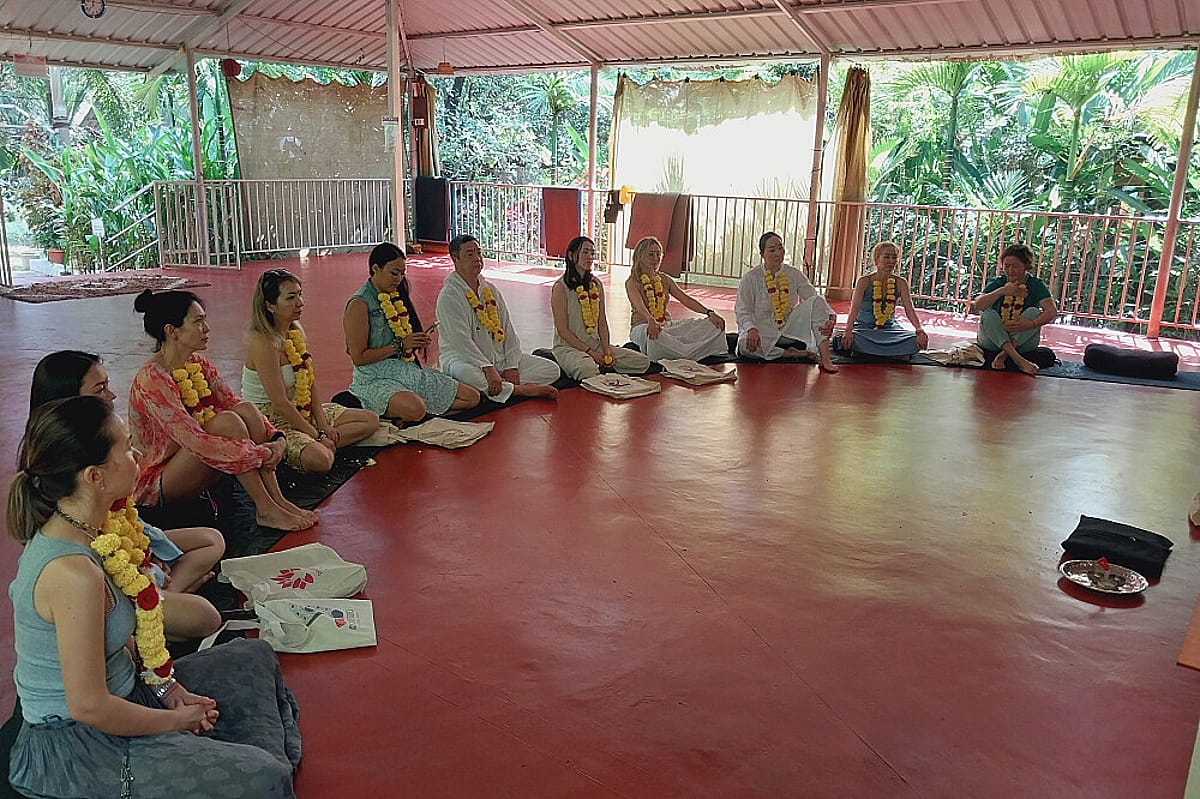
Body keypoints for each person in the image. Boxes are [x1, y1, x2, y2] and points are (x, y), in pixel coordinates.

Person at [5, 396, 301, 798]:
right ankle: (242, 762)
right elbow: (89, 707)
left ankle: (232, 758)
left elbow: (120, 641)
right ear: (95, 476)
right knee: (264, 777)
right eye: (126, 448)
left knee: (254, 657)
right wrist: (175, 722)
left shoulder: (94, 531)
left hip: (128, 693)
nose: (138, 454)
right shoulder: (71, 574)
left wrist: (168, 691)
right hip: (82, 744)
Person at [30, 350, 222, 639]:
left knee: (212, 540)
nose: (112, 396)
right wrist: (141, 572)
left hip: (130, 553)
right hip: (114, 581)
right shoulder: (68, 475)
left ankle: (165, 594)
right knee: (206, 616)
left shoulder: (98, 445)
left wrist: (147, 556)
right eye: (100, 389)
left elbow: (124, 521)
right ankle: (157, 604)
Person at [128, 289, 316, 532]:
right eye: (198, 321)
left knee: (245, 410)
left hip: (195, 466)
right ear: (171, 331)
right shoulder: (152, 378)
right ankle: (266, 508)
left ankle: (277, 501)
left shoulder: (197, 363)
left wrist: (276, 438)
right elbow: (195, 440)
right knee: (227, 423)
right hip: (157, 484)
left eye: (205, 320)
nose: (207, 328)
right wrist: (258, 454)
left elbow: (234, 401)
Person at [245, 269, 381, 473]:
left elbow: (309, 383)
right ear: (270, 305)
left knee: (371, 420)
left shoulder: (294, 331)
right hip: (271, 419)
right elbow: (279, 404)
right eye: (291, 297)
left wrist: (323, 425)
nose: (300, 302)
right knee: (321, 461)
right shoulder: (264, 343)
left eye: (300, 294)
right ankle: (316, 446)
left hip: (299, 408)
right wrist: (317, 434)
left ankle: (321, 443)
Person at [344, 242, 481, 421]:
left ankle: (414, 413)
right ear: (375, 268)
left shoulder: (395, 296)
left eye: (402, 274)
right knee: (415, 409)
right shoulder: (359, 304)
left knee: (472, 397)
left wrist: (414, 341)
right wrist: (401, 345)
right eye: (394, 273)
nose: (399, 279)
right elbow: (359, 358)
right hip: (374, 377)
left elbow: (403, 338)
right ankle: (413, 411)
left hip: (405, 370)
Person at [436, 234, 560, 403]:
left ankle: (501, 388)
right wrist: (487, 368)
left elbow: (507, 329)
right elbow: (461, 342)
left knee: (551, 370)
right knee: (465, 374)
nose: (477, 259)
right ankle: (521, 390)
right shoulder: (449, 296)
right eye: (470, 254)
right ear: (455, 259)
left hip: (498, 359)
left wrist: (511, 366)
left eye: (479, 253)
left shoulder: (490, 290)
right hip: (465, 360)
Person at [551, 235, 651, 380]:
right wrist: (591, 353)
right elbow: (562, 330)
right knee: (587, 370)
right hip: (569, 348)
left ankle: (600, 366)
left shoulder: (596, 284)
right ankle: (587, 365)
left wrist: (607, 350)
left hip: (595, 345)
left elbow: (602, 322)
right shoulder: (560, 287)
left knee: (642, 362)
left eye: (592, 253)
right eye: (585, 252)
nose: (590, 257)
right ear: (572, 255)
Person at [736, 232, 839, 372]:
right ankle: (789, 353)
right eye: (772, 250)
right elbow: (743, 310)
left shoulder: (794, 274)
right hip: (761, 329)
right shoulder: (750, 278)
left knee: (817, 301)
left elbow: (812, 297)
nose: (778, 253)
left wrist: (831, 316)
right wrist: (751, 329)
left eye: (780, 248)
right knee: (744, 345)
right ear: (762, 254)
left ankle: (825, 358)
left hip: (789, 327)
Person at [624, 236, 728, 362]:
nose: (656, 258)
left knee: (713, 324)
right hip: (643, 326)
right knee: (657, 336)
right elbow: (639, 306)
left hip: (666, 326)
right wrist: (650, 319)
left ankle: (680, 353)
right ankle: (691, 353)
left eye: (658, 254)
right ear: (640, 256)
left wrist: (709, 313)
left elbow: (686, 299)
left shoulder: (664, 279)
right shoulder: (632, 281)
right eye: (651, 254)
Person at [972, 243, 1058, 375]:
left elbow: (1051, 312)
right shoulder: (999, 283)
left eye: (1015, 266)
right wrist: (1002, 291)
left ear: (1026, 266)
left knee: (1033, 313)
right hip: (993, 340)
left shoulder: (1035, 285)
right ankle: (1018, 360)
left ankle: (1005, 354)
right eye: (1006, 266)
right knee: (988, 314)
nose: (1010, 270)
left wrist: (1031, 324)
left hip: (1022, 341)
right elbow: (978, 306)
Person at [840, 241, 929, 359]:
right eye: (887, 257)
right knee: (855, 338)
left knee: (913, 340)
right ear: (876, 259)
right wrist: (848, 330)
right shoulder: (864, 281)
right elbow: (854, 308)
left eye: (894, 257)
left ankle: (870, 352)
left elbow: (909, 309)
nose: (891, 261)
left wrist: (919, 330)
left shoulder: (901, 282)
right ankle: (891, 353)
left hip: (889, 329)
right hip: (864, 328)